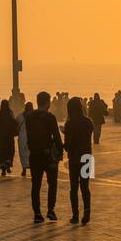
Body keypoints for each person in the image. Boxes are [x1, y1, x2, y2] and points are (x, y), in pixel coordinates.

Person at [26, 91, 63, 223]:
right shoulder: (50, 117)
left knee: (35, 185)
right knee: (52, 183)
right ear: (47, 103)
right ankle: (51, 210)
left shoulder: (29, 117)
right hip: (48, 156)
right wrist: (60, 151)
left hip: (34, 155)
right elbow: (56, 136)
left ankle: (37, 213)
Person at [62, 96, 94, 225]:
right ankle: (87, 211)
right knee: (85, 186)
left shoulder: (69, 124)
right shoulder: (88, 122)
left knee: (73, 187)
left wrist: (64, 134)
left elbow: (68, 145)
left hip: (74, 158)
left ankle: (75, 215)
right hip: (87, 157)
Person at [0, 99, 18, 175]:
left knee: (1, 153)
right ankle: (8, 165)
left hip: (0, 137)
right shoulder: (10, 113)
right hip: (9, 137)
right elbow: (14, 123)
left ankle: (3, 170)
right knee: (9, 152)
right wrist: (15, 132)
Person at [17, 101, 33, 177]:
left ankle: (24, 169)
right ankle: (32, 168)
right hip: (31, 136)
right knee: (31, 153)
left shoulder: (20, 116)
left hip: (22, 136)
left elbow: (16, 125)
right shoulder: (34, 116)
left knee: (23, 153)